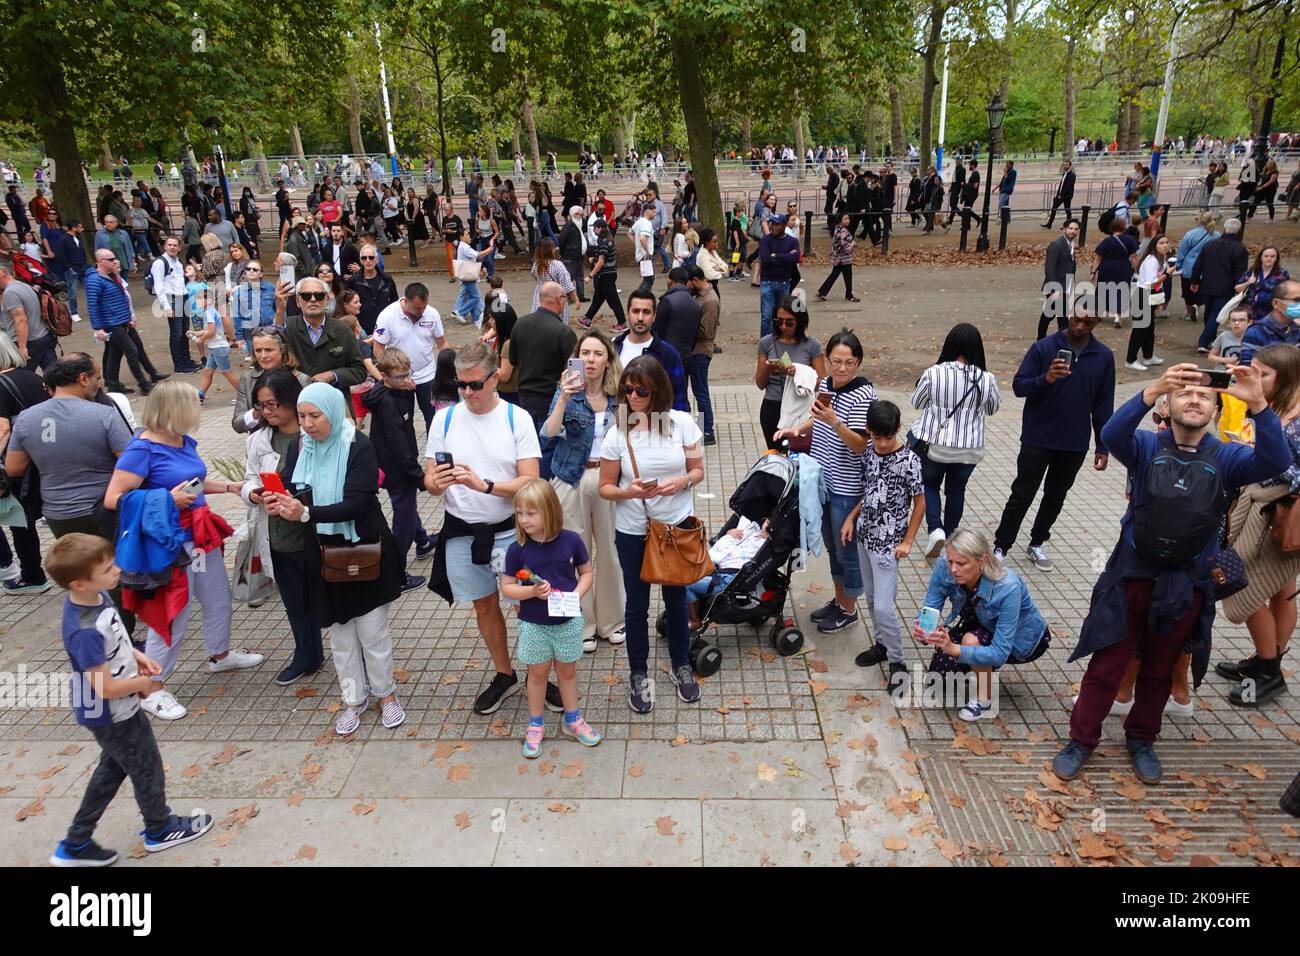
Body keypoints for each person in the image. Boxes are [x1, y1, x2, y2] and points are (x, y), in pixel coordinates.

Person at [1054, 362, 1287, 784]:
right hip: (1131, 576)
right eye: (1184, 393)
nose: (1195, 399)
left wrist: (1258, 406)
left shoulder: (1230, 458)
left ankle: (1141, 738)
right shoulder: (1145, 446)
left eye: (1204, 396)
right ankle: (1080, 740)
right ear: (1168, 404)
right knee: (1107, 665)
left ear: (1215, 411)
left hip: (1186, 583)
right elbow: (1110, 435)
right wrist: (1150, 389)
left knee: (1160, 670)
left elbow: (1277, 459)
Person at [45, 534, 215, 866]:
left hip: (115, 707)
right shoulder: (84, 630)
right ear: (79, 583)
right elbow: (104, 687)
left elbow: (117, 640)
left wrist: (137, 655)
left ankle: (76, 842)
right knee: (146, 767)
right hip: (111, 711)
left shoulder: (95, 596)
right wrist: (143, 683)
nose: (118, 570)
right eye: (108, 568)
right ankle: (160, 827)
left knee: (113, 769)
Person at [104, 382, 263, 721]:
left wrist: (230, 486)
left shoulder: (179, 440)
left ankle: (220, 655)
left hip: (201, 535)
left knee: (218, 597)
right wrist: (166, 499)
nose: (199, 409)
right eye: (193, 403)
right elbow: (112, 498)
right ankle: (152, 688)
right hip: (169, 544)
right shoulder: (142, 449)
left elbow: (193, 480)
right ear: (176, 408)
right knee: (172, 613)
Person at [425, 342, 561, 716]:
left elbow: (531, 480)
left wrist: (483, 485)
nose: (466, 393)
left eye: (474, 385)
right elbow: (429, 483)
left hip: (511, 534)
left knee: (530, 605)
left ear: (495, 377)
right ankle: (504, 674)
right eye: (460, 385)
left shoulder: (516, 418)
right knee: (484, 605)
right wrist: (439, 481)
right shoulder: (445, 419)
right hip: (463, 533)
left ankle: (540, 674)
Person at [264, 382, 407, 733]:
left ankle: (386, 695)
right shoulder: (302, 446)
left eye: (315, 416)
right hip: (324, 553)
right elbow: (290, 484)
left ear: (332, 411)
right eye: (301, 416)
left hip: (364, 547)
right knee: (341, 637)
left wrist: (305, 513)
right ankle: (352, 699)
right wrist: (270, 496)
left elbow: (357, 503)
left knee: (372, 633)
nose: (308, 424)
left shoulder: (357, 445)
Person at [599, 355, 706, 712]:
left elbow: (698, 472)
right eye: (627, 390)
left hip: (675, 528)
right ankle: (639, 673)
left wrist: (680, 481)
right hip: (633, 529)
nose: (632, 396)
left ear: (657, 389)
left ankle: (682, 665)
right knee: (637, 606)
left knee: (677, 601)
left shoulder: (681, 424)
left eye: (640, 390)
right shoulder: (619, 432)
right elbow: (605, 488)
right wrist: (631, 492)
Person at [993, 302, 1115, 571]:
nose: (1080, 326)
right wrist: (1045, 379)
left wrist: (1102, 445)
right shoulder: (1044, 348)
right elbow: (1018, 386)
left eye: (1088, 322)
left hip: (1074, 443)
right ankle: (1001, 545)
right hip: (1038, 438)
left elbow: (1104, 404)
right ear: (1069, 316)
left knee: (1056, 495)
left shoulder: (1104, 357)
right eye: (1076, 320)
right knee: (1022, 493)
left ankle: (1037, 541)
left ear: (1096, 323)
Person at [776, 329, 874, 633]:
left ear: (857, 362)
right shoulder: (826, 384)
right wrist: (797, 430)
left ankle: (849, 609)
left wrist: (836, 421)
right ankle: (839, 600)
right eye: (836, 361)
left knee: (847, 551)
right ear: (828, 360)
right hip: (823, 482)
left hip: (847, 489)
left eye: (849, 362)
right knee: (833, 548)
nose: (842, 368)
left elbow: (860, 444)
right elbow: (816, 417)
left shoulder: (864, 394)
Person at [1218, 344, 1300, 707]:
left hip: (1279, 516)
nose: (1255, 378)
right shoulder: (1275, 408)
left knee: (1243, 585)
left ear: (1286, 379)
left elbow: (1289, 471)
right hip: (1266, 510)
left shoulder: (1295, 420)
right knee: (1282, 590)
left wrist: (1265, 459)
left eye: (1263, 374)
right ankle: (1267, 661)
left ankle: (1269, 672)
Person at [500, 479, 602, 757]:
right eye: (519, 513)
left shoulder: (571, 541)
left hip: (567, 621)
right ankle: (535, 723)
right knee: (538, 674)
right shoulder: (517, 549)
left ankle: (573, 719)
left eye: (531, 513)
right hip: (534, 625)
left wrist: (576, 595)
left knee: (567, 672)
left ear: (550, 511)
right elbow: (507, 587)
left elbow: (587, 572)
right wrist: (531, 591)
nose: (524, 519)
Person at [541, 329, 627, 653]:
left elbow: (630, 439)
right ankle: (582, 624)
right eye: (585, 353)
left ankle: (611, 622)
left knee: (610, 552)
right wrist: (563, 398)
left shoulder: (619, 394)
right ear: (576, 359)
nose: (591, 360)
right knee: (573, 557)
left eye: (598, 354)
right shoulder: (567, 391)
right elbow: (548, 434)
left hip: (607, 481)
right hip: (569, 479)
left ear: (608, 361)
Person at [237, 369, 322, 684]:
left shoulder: (311, 432)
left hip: (313, 531)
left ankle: (345, 655)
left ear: (290, 399)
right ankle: (307, 655)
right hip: (278, 535)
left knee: (322, 597)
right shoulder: (259, 439)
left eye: (273, 404)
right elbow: (248, 479)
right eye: (261, 406)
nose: (268, 412)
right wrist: (255, 494)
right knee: (294, 602)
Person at [914, 529, 1052, 721]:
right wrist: (924, 628)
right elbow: (931, 606)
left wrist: (954, 649)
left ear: (982, 560)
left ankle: (984, 699)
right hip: (978, 620)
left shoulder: (1008, 587)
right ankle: (973, 660)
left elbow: (999, 653)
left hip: (1022, 641)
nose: (953, 569)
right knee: (941, 677)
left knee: (970, 642)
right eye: (950, 561)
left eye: (961, 563)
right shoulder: (944, 566)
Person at [842, 400, 924, 677]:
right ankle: (881, 645)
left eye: (889, 437)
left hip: (889, 545)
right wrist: (851, 517)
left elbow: (920, 504)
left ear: (898, 429)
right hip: (865, 537)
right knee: (871, 597)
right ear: (868, 431)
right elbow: (870, 490)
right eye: (877, 437)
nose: (884, 443)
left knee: (884, 607)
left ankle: (897, 662)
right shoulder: (868, 451)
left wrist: (908, 541)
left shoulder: (910, 461)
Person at [911, 323, 1001, 558]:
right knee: (956, 490)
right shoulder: (987, 378)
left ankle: (935, 529)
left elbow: (917, 403)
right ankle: (951, 538)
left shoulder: (934, 373)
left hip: (936, 447)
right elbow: (992, 408)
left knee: (928, 485)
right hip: (970, 448)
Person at [361, 348, 434, 586]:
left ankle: (422, 541)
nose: (406, 380)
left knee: (406, 508)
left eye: (407, 374)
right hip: (398, 469)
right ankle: (397, 574)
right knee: (402, 520)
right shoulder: (390, 402)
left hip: (391, 465)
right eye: (400, 377)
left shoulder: (391, 391)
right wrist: (418, 476)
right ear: (385, 376)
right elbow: (400, 444)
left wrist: (405, 391)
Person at [371, 282, 449, 437]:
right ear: (405, 301)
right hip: (399, 380)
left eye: (424, 307)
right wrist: (394, 377)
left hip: (428, 376)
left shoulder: (431, 313)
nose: (421, 312)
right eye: (417, 308)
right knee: (404, 423)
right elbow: (378, 350)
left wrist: (448, 368)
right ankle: (410, 457)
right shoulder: (387, 316)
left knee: (434, 420)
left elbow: (442, 343)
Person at [273, 276, 366, 404]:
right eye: (306, 296)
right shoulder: (287, 327)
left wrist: (333, 375)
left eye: (319, 296)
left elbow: (359, 371)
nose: (312, 300)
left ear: (327, 300)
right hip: (296, 403)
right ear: (298, 301)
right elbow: (272, 351)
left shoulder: (342, 329)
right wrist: (279, 311)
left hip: (334, 403)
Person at [85, 248, 165, 396]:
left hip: (122, 320)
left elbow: (122, 298)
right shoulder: (94, 280)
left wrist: (129, 317)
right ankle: (144, 385)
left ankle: (114, 383)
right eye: (111, 259)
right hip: (111, 323)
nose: (115, 261)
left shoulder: (113, 275)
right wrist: (97, 328)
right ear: (101, 262)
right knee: (132, 351)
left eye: (114, 258)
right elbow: (92, 305)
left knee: (119, 352)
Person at [754, 297, 825, 449]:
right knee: (776, 457)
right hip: (772, 406)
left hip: (801, 409)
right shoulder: (766, 343)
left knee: (801, 456)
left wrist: (798, 373)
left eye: (789, 322)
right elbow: (760, 384)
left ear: (800, 321)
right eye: (779, 321)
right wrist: (767, 368)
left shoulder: (812, 345)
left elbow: (823, 383)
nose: (784, 326)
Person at [511, 280, 578, 427]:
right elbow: (576, 373)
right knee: (548, 444)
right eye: (566, 297)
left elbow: (513, 360)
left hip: (524, 396)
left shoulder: (520, 324)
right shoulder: (564, 332)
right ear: (559, 299)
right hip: (551, 399)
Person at [611, 290, 689, 411]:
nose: (640, 318)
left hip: (654, 424)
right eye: (636, 311)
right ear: (628, 313)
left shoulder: (668, 354)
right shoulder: (612, 348)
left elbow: (679, 400)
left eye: (646, 312)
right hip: (616, 423)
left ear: (654, 316)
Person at [1191, 217, 1250, 352]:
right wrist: (1239, 288)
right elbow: (1240, 272)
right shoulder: (1239, 249)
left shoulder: (1210, 245)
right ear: (1239, 231)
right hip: (1226, 287)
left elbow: (1198, 264)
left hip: (1207, 283)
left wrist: (1194, 281)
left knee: (1209, 312)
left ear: (1224, 228)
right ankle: (1204, 340)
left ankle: (1208, 337)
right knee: (1217, 315)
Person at [1126, 234, 1174, 372]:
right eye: (1161, 243)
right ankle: (1130, 360)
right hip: (1141, 295)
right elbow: (1150, 283)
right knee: (1140, 330)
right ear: (1154, 245)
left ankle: (1148, 356)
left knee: (1149, 329)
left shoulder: (1161, 258)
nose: (1165, 245)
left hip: (1150, 297)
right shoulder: (1151, 261)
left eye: (1166, 242)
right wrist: (1167, 274)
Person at [0, 253, 55, 372]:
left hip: (29, 343)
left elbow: (21, 320)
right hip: (43, 337)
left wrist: (22, 347)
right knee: (55, 377)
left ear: (3, 272)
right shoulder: (24, 285)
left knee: (22, 380)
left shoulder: (10, 293)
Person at [188, 283, 240, 403]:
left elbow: (211, 332)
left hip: (218, 347)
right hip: (215, 347)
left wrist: (201, 339)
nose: (198, 301)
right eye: (197, 298)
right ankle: (200, 396)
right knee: (208, 371)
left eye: (201, 298)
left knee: (227, 372)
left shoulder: (209, 313)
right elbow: (209, 330)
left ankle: (243, 395)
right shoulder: (210, 311)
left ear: (210, 300)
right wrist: (196, 333)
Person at [685, 265, 719, 445]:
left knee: (700, 391)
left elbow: (707, 331)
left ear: (696, 280)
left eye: (689, 283)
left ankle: (707, 431)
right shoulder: (698, 297)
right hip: (692, 350)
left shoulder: (710, 301)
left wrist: (684, 323)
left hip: (700, 351)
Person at [1089, 216, 1138, 328]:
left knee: (1103, 290)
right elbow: (1134, 256)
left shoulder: (1106, 241)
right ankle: (1118, 316)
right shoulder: (1129, 240)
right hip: (1123, 267)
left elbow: (1098, 258)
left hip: (1107, 268)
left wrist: (1093, 272)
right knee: (1121, 291)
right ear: (1123, 227)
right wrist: (1137, 269)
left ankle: (1098, 313)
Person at [756, 214, 800, 338]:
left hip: (784, 282)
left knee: (781, 314)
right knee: (766, 315)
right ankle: (765, 341)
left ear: (784, 225)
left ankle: (780, 337)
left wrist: (777, 255)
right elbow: (765, 259)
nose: (773, 227)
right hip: (767, 282)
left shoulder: (792, 241)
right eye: (772, 224)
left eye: (777, 224)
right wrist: (785, 257)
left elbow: (795, 258)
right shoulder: (765, 240)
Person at [1175, 212, 1219, 324]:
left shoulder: (1191, 234)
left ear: (1199, 220)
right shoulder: (1216, 235)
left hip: (1190, 267)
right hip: (1208, 269)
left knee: (1187, 291)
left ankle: (1189, 312)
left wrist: (1178, 264)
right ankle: (1197, 305)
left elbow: (1182, 251)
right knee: (1202, 290)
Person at [582, 219, 625, 330]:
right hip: (607, 274)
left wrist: (590, 276)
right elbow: (604, 257)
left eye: (594, 227)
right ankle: (587, 320)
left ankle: (622, 323)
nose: (593, 229)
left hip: (605, 275)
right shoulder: (606, 240)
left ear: (599, 228)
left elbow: (601, 261)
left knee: (613, 300)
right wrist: (594, 258)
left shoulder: (605, 242)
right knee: (598, 299)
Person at [1039, 219, 1079, 340]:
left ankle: (1044, 339)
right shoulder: (1056, 245)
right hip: (1057, 288)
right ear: (1064, 229)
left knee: (1052, 315)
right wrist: (1054, 289)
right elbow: (1049, 268)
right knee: (1056, 316)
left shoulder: (1070, 245)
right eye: (1070, 228)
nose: (1073, 231)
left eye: (1076, 229)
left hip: (1065, 287)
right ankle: (1049, 339)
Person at [1236, 246, 1289, 322]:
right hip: (1248, 312)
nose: (1269, 258)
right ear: (1261, 258)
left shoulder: (1282, 274)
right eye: (1266, 256)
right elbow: (1237, 289)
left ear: (1276, 259)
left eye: (1272, 256)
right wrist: (1248, 282)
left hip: (1269, 313)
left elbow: (1285, 294)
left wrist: (1265, 297)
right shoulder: (1252, 271)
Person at [530, 238, 577, 323]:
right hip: (556, 297)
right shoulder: (557, 265)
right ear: (550, 250)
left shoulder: (536, 264)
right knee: (557, 324)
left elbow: (534, 276)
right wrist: (576, 299)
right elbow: (567, 284)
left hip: (540, 297)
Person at [817, 213, 859, 303]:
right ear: (840, 221)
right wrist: (853, 244)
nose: (848, 220)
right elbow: (846, 247)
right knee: (848, 276)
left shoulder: (836, 229)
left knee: (834, 274)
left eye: (848, 218)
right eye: (845, 219)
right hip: (844, 258)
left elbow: (835, 244)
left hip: (838, 257)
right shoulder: (843, 231)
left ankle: (822, 291)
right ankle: (849, 295)